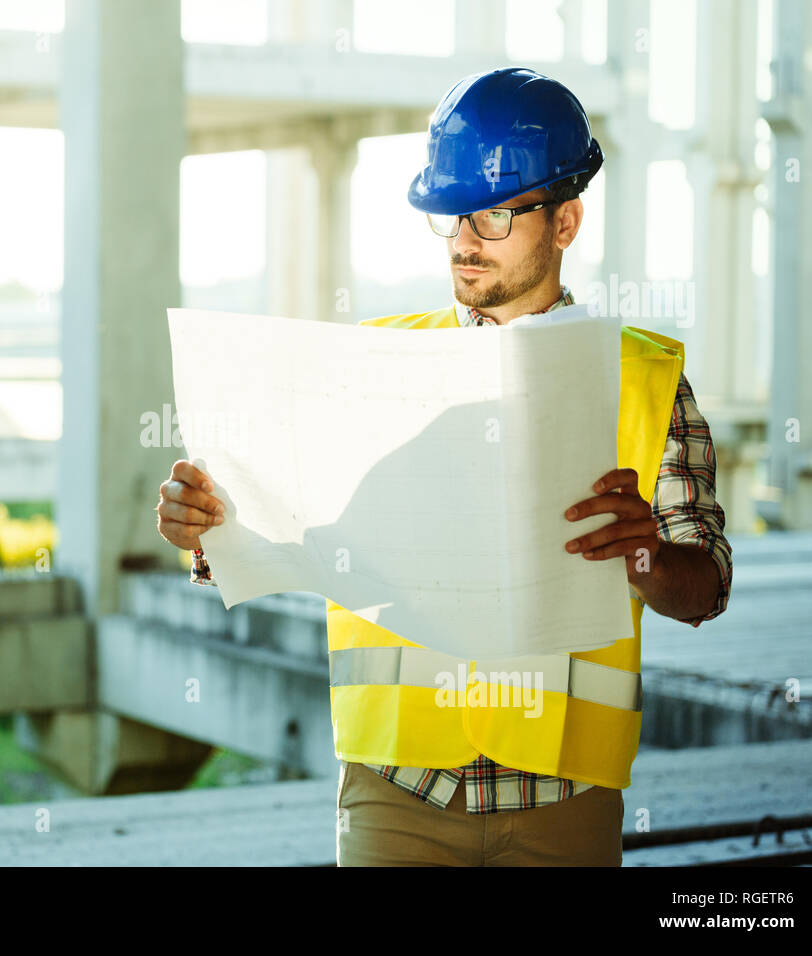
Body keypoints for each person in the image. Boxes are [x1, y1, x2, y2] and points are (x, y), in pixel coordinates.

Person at [155, 67, 732, 866]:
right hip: (399, 795)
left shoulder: (644, 381)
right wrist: (210, 530)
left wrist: (645, 555)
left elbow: (705, 592)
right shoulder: (372, 366)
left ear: (565, 221)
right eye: (452, 214)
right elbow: (295, 534)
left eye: (495, 213)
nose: (464, 239)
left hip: (564, 803)